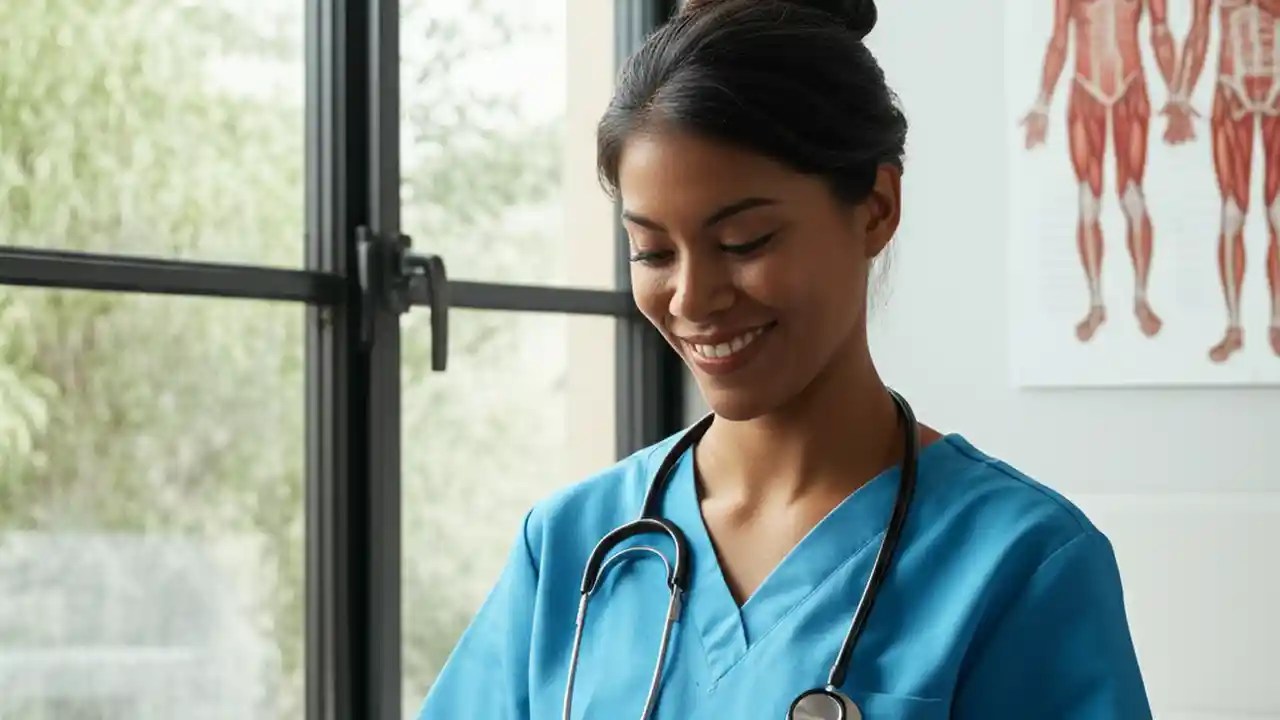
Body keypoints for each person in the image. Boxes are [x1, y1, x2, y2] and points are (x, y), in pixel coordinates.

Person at [416, 1, 1152, 717]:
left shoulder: (1021, 564)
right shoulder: (572, 547)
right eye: (654, 251)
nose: (692, 299)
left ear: (876, 208)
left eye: (745, 243)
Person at [1022, 0, 1178, 343]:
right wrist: (1042, 102)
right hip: (1085, 92)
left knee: (1132, 197)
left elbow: (1161, 32)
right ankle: (1095, 302)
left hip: (1130, 88)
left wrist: (1176, 93)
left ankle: (1140, 298)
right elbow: (1059, 39)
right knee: (1088, 201)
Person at [1163, 0, 1280, 362]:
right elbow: (1198, 30)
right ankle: (1233, 326)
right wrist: (1180, 95)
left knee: (1278, 214)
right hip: (1231, 90)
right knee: (1232, 215)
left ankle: (1277, 322)